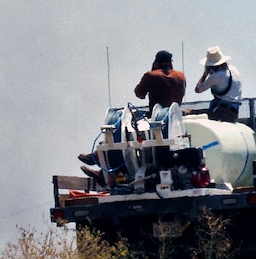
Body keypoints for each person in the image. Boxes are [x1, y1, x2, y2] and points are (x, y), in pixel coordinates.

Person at [79, 50, 185, 182]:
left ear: (156, 62)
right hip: (174, 120)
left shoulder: (151, 75)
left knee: (124, 135)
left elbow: (139, 93)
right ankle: (99, 161)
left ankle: (100, 165)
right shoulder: (181, 76)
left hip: (156, 119)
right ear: (171, 63)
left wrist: (151, 73)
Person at [194, 46, 242, 122]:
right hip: (233, 112)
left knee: (190, 113)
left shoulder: (216, 76)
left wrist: (205, 74)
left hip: (221, 111)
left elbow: (198, 89)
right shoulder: (233, 69)